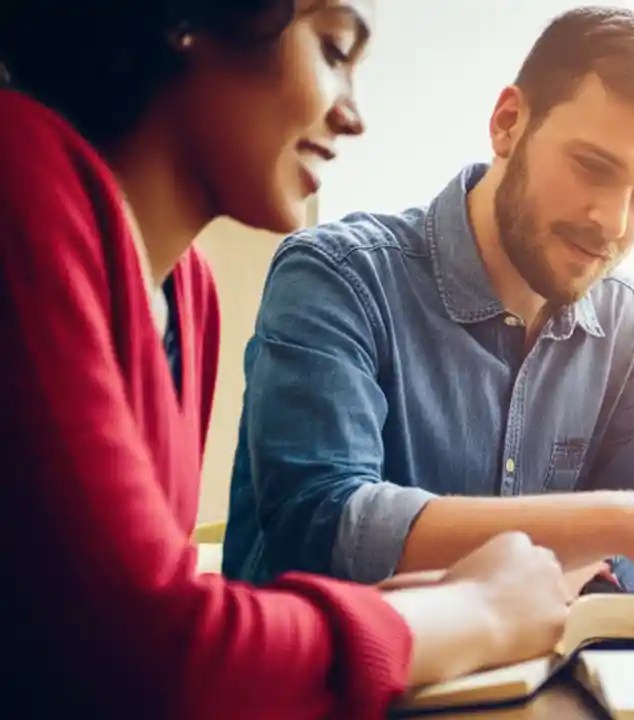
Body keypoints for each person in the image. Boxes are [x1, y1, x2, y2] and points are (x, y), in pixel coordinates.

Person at [0, 1, 580, 717]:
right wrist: (476, 612)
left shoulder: (189, 294)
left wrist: (428, 604)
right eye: (333, 51)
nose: (353, 116)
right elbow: (149, 654)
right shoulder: (18, 174)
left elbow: (123, 615)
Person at [221, 5, 634, 619]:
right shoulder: (339, 275)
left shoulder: (629, 329)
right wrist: (617, 526)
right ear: (507, 123)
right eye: (592, 167)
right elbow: (323, 522)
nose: (612, 222)